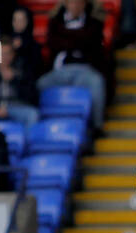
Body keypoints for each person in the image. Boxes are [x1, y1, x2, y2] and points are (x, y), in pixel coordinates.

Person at [38, 0, 108, 133]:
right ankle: (41, 126)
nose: (75, 6)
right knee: (39, 85)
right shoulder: (55, 21)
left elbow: (91, 43)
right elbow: (53, 43)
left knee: (97, 83)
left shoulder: (93, 22)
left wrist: (66, 38)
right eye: (72, 2)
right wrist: (79, 39)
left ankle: (96, 127)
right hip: (60, 70)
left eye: (78, 3)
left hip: (85, 70)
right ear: (66, 4)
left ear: (84, 5)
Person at [0, 38, 40, 130]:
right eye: (1, 54)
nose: (4, 57)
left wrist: (15, 80)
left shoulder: (23, 70)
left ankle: (29, 143)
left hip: (16, 108)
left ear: (13, 55)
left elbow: (32, 98)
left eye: (7, 53)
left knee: (33, 114)